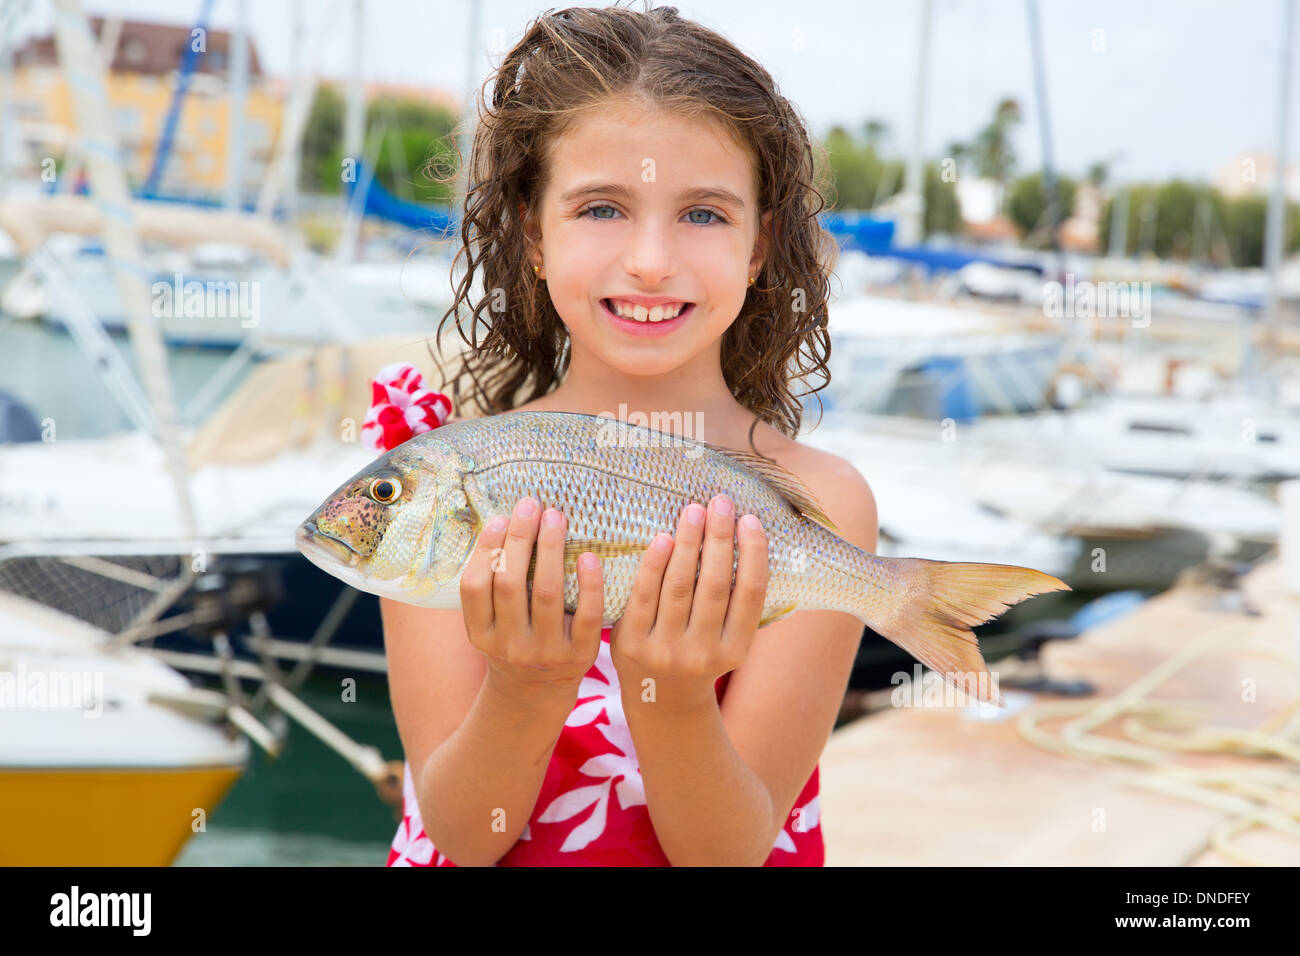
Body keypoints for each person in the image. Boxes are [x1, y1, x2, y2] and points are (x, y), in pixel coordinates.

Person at [379, 3, 878, 866]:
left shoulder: (824, 504)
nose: (651, 258)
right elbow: (463, 835)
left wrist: (675, 694)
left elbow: (725, 852)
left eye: (705, 214)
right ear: (533, 233)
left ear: (761, 246)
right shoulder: (442, 477)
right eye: (603, 208)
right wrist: (525, 683)